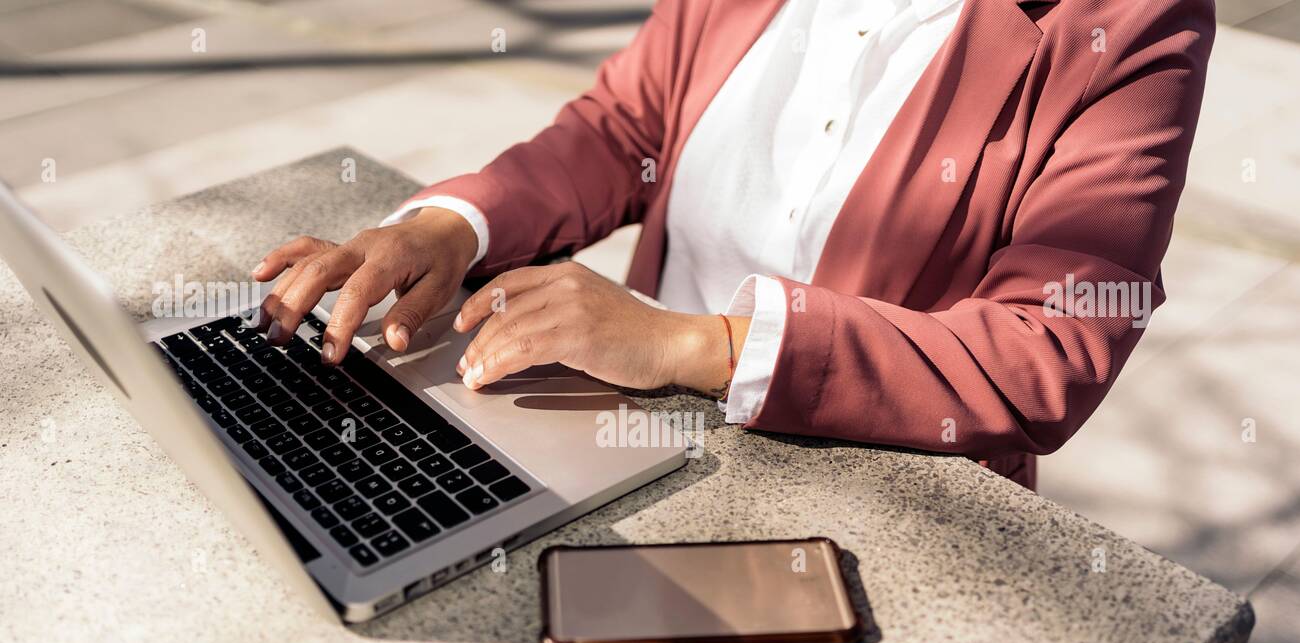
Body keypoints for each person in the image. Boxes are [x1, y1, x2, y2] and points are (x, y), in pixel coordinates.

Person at [252, 0, 1213, 491]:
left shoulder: (1127, 23)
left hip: (864, 486)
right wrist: (453, 225)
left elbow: (1047, 348)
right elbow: (625, 130)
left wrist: (688, 344)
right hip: (614, 420)